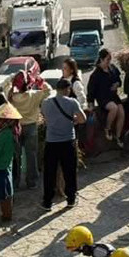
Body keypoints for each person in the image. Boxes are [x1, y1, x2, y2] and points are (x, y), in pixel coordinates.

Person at [39, 77, 85, 209]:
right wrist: (74, 120)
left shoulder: (46, 102)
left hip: (51, 142)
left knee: (49, 173)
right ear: (67, 89)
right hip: (67, 141)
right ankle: (71, 199)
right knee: (69, 171)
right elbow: (83, 119)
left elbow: (45, 117)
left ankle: (47, 201)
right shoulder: (72, 102)